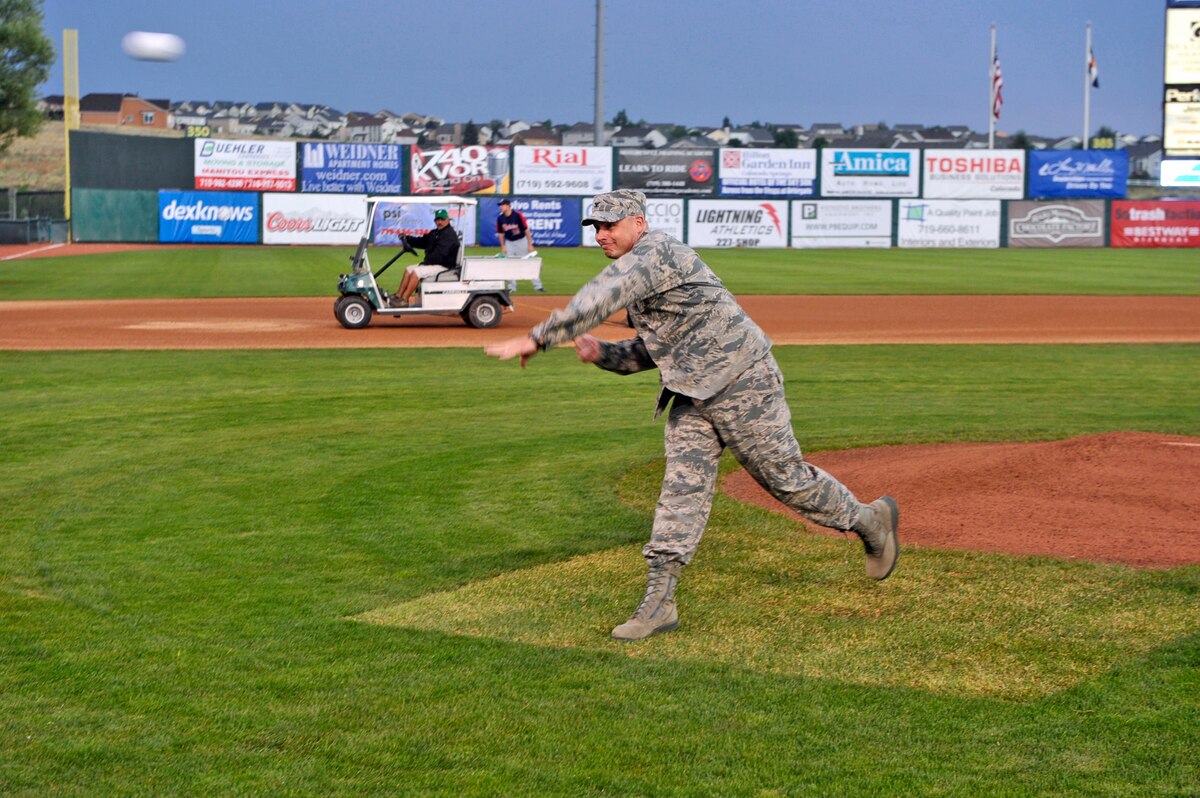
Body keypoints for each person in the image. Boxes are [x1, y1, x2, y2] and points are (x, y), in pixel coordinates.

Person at [485, 189, 898, 642]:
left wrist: (540, 337)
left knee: (787, 480)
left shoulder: (655, 253)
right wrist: (604, 353)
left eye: (611, 225)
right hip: (690, 394)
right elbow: (657, 348)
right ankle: (659, 602)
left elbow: (599, 297)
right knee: (680, 493)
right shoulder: (640, 273)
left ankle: (868, 520)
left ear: (638, 223)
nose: (602, 234)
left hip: (744, 382)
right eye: (596, 227)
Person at [390, 209, 461, 308]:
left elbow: (440, 255)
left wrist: (426, 263)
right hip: (434, 263)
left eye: (442, 219)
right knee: (408, 269)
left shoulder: (449, 235)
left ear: (448, 220)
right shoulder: (435, 232)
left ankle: (405, 300)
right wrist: (408, 239)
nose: (439, 222)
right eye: (437, 219)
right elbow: (422, 242)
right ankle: (398, 296)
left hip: (444, 266)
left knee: (416, 272)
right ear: (435, 221)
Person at [495, 198, 544, 293]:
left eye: (502, 205)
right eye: (500, 205)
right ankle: (511, 287)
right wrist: (503, 246)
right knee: (509, 264)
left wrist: (530, 244)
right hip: (509, 242)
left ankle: (538, 286)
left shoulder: (518, 215)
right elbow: (500, 234)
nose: (501, 207)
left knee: (529, 263)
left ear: (508, 205)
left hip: (522, 241)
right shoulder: (500, 218)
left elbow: (526, 230)